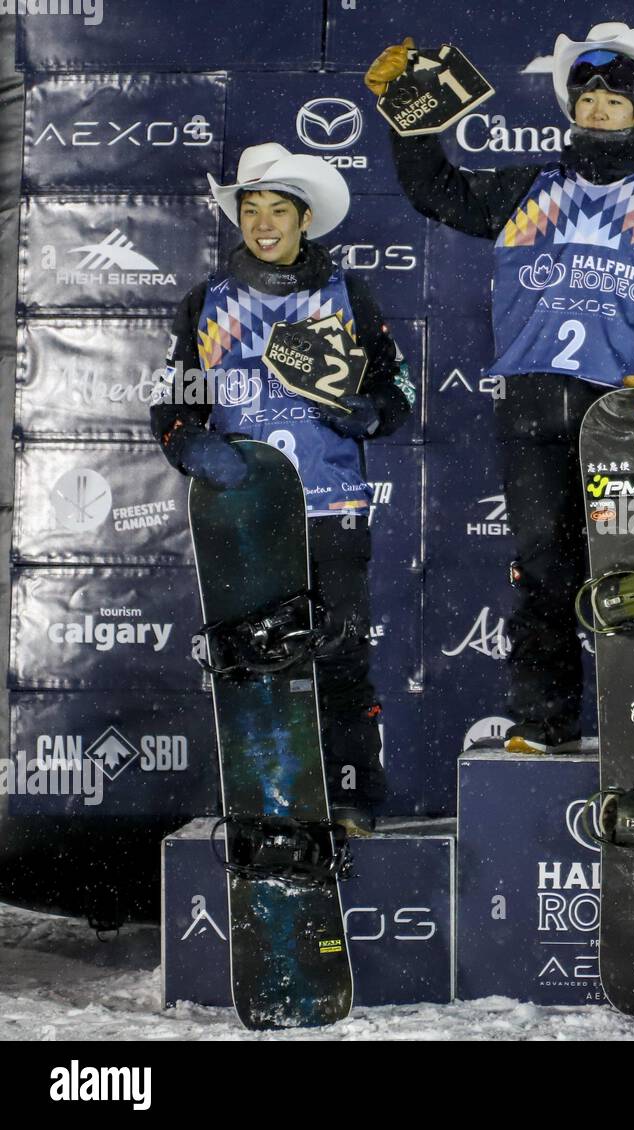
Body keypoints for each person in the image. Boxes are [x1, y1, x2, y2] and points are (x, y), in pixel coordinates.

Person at [367, 23, 634, 754]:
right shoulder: (527, 185)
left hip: (621, 414)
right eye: (586, 96)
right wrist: (408, 122)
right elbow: (434, 189)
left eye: (614, 100)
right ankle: (544, 723)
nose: (596, 108)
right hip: (530, 412)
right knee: (543, 573)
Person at [150, 142, 416, 834]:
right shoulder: (204, 305)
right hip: (244, 513)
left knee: (339, 655)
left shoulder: (347, 296)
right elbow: (169, 407)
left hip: (332, 505)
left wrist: (371, 411)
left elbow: (400, 392)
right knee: (252, 661)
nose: (263, 222)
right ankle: (264, 803)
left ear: (304, 219)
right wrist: (191, 445)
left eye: (278, 209)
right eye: (251, 209)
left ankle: (351, 796)